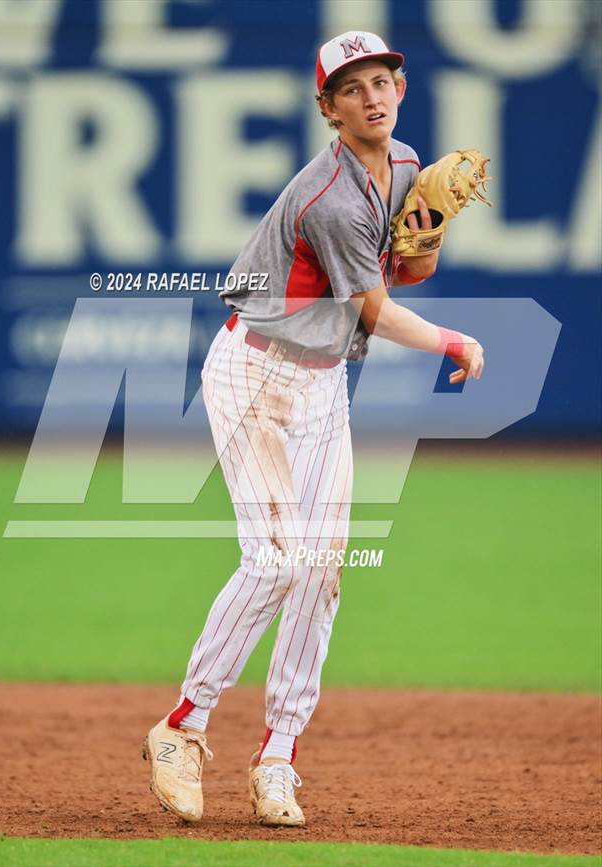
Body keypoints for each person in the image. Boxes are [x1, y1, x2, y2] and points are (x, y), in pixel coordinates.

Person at [143, 30, 484, 828]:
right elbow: (377, 310)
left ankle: (278, 758)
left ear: (399, 90)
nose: (373, 95)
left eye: (384, 80)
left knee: (321, 571)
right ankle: (181, 727)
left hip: (323, 384)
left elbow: (410, 267)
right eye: (353, 86)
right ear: (328, 109)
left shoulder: (404, 167)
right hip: (255, 374)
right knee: (274, 561)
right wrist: (456, 340)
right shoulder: (328, 193)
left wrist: (428, 224)